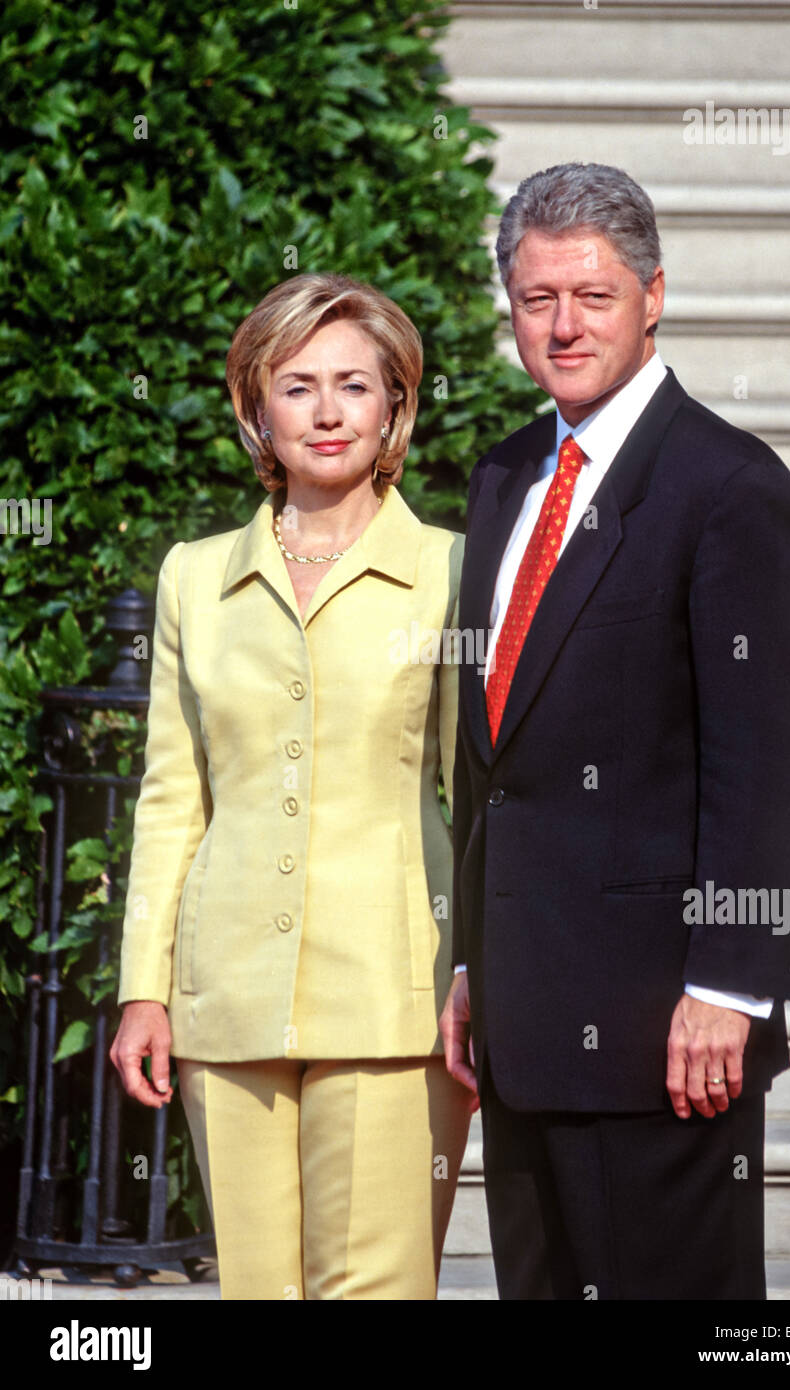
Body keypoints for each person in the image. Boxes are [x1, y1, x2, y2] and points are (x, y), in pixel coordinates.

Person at [440, 162, 790, 1300]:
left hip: (667, 1029)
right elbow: (495, 755)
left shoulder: (731, 487)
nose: (561, 326)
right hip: (524, 1018)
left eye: (592, 296)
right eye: (535, 298)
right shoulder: (507, 475)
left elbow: (766, 762)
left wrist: (732, 982)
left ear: (653, 296)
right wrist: (473, 954)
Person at [110, 272, 471, 1300]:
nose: (326, 410)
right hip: (226, 997)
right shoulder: (194, 575)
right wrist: (145, 986)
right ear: (254, 407)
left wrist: (479, 971)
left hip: (394, 1001)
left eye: (354, 385)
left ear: (395, 405)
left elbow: (485, 798)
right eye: (297, 383)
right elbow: (173, 795)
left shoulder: (453, 572)